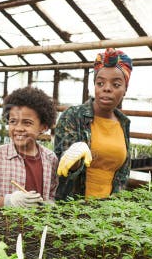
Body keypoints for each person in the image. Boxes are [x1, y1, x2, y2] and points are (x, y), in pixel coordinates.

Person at [54, 48, 132, 200]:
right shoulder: (73, 116)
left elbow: (123, 175)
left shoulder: (123, 123)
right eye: (100, 83)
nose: (107, 88)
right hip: (74, 210)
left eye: (116, 85)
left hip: (109, 213)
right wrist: (76, 156)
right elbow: (62, 167)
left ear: (125, 89)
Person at [0, 86, 59, 217]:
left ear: (43, 127)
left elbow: (52, 195)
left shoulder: (50, 159)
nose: (18, 128)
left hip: (36, 232)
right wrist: (7, 202)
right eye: (13, 121)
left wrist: (49, 205)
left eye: (27, 123)